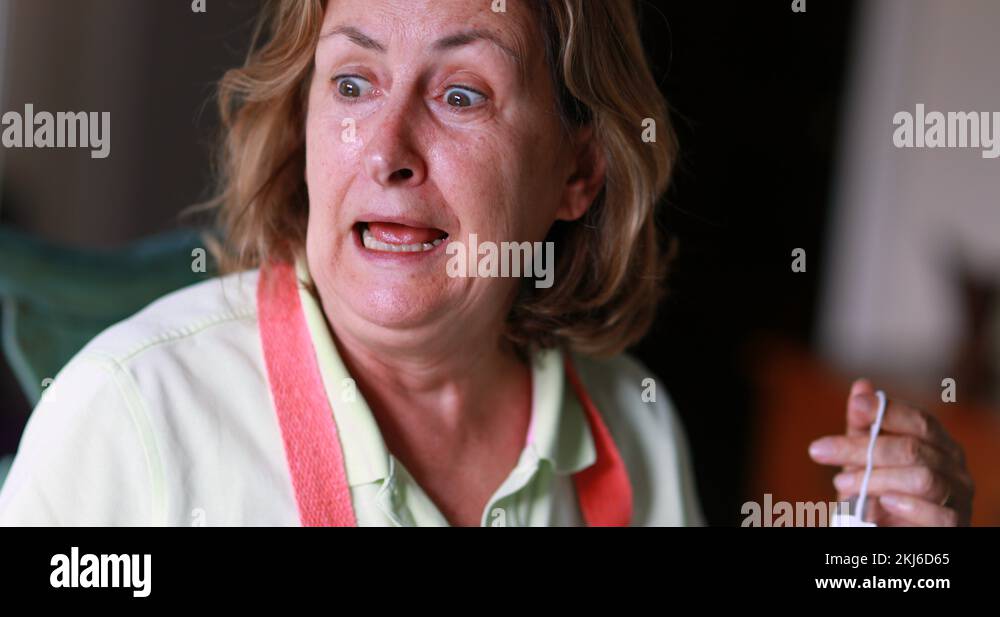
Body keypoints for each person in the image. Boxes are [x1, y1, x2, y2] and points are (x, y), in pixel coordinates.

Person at [0, 0, 970, 527]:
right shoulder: (130, 411)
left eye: (461, 93)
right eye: (351, 80)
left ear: (577, 172)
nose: (385, 148)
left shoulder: (628, 423)